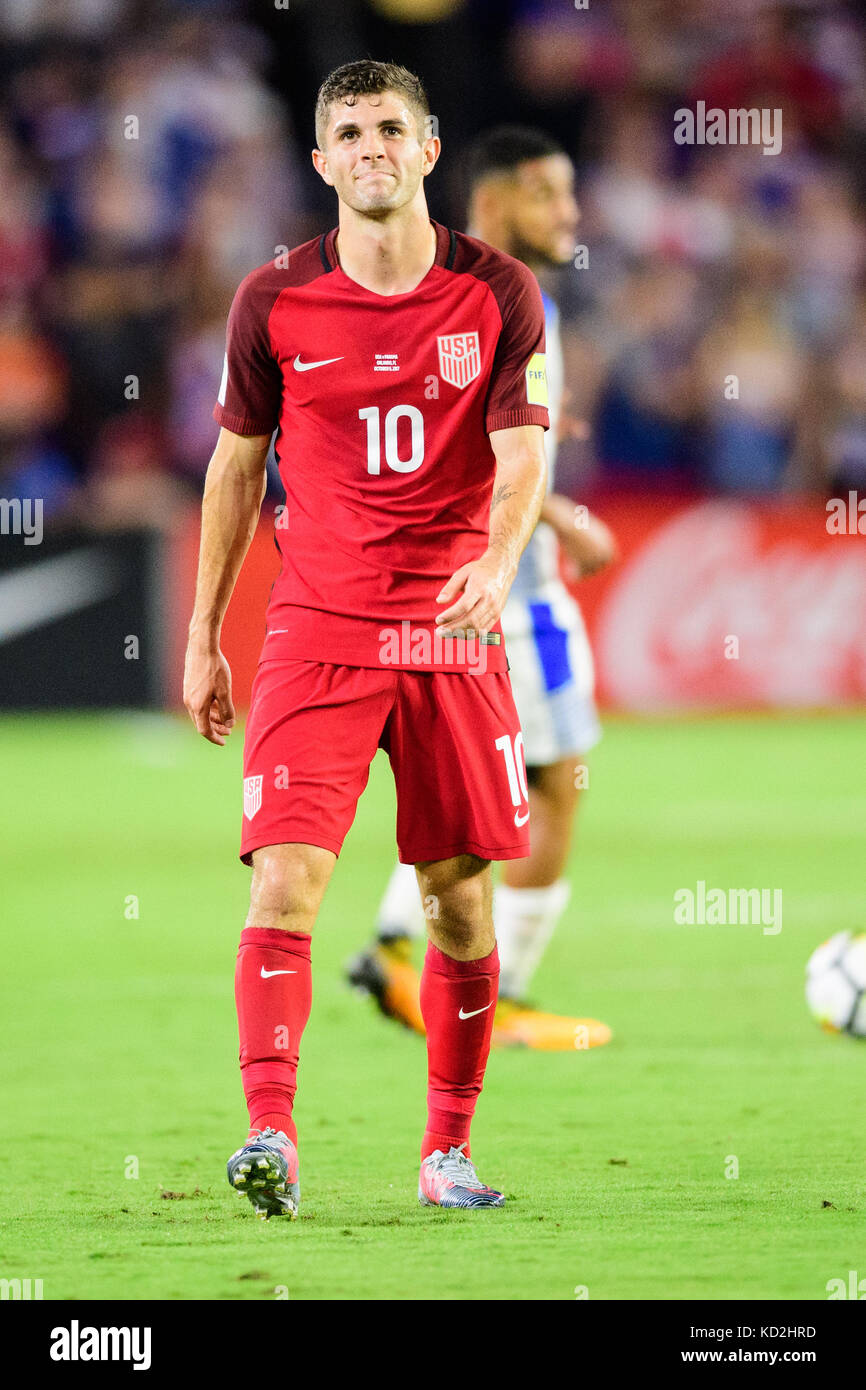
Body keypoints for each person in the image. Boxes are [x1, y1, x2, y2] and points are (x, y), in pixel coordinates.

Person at [183, 64, 550, 1217]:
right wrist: (202, 636)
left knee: (456, 903)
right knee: (284, 880)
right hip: (320, 632)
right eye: (348, 130)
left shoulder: (497, 292)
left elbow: (524, 454)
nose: (371, 145)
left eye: (392, 125)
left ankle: (446, 1153)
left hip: (449, 634)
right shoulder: (272, 302)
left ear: (430, 149)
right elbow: (236, 466)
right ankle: (271, 1136)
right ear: (321, 162)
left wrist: (493, 567)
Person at [349, 126, 616, 1051]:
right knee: (543, 785)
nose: (571, 216)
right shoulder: (502, 291)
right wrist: (565, 520)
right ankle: (487, 990)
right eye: (552, 196)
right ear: (498, 199)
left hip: (467, 578)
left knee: (486, 779)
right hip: (515, 588)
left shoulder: (464, 287)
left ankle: (394, 948)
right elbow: (479, 448)